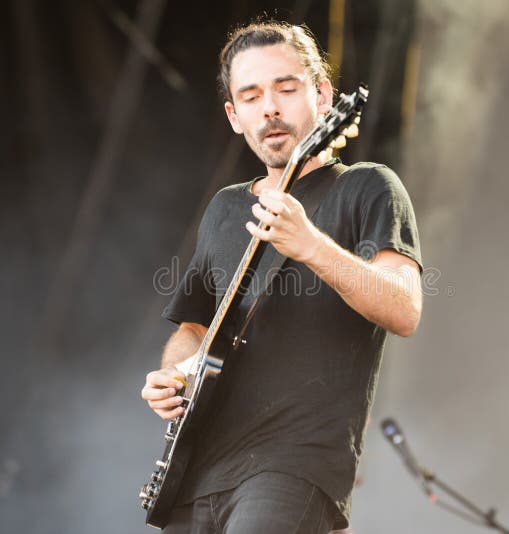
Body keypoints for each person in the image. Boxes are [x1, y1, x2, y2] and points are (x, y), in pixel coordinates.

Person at [141, 20, 422, 534]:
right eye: (251, 97)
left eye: (286, 89)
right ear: (234, 116)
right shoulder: (225, 208)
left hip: (295, 464)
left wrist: (311, 245)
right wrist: (177, 376)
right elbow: (194, 327)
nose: (269, 107)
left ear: (323, 96)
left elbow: (404, 309)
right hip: (197, 471)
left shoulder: (369, 187)